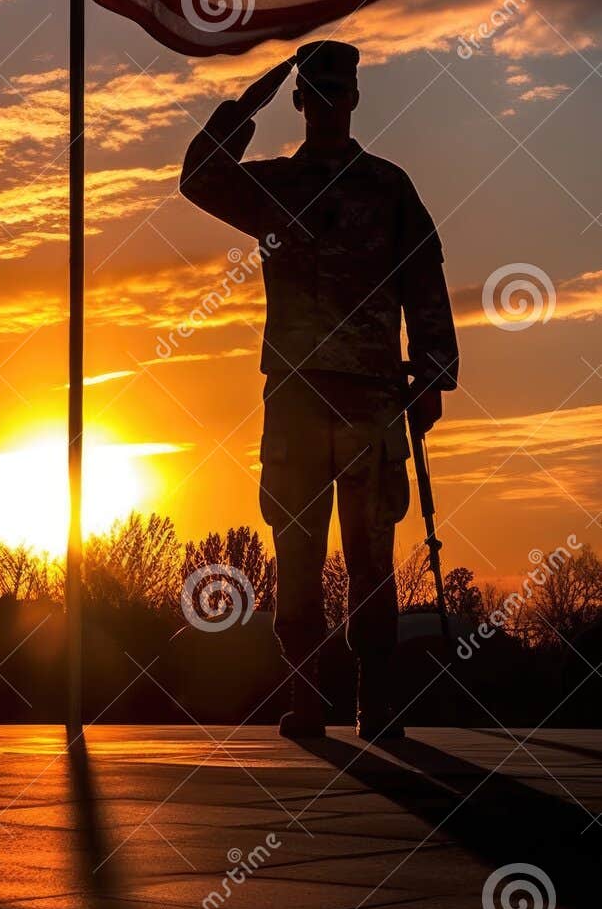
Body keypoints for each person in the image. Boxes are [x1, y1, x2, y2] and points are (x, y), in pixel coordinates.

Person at [180, 41, 458, 741]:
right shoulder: (277, 185)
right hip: (298, 399)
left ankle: (375, 699)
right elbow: (199, 177)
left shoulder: (389, 188)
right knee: (296, 552)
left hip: (370, 397)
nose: (330, 104)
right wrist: (260, 89)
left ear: (355, 99)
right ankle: (304, 694)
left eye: (340, 91)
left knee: (371, 556)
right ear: (302, 101)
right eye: (317, 92)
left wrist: (433, 373)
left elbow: (423, 276)